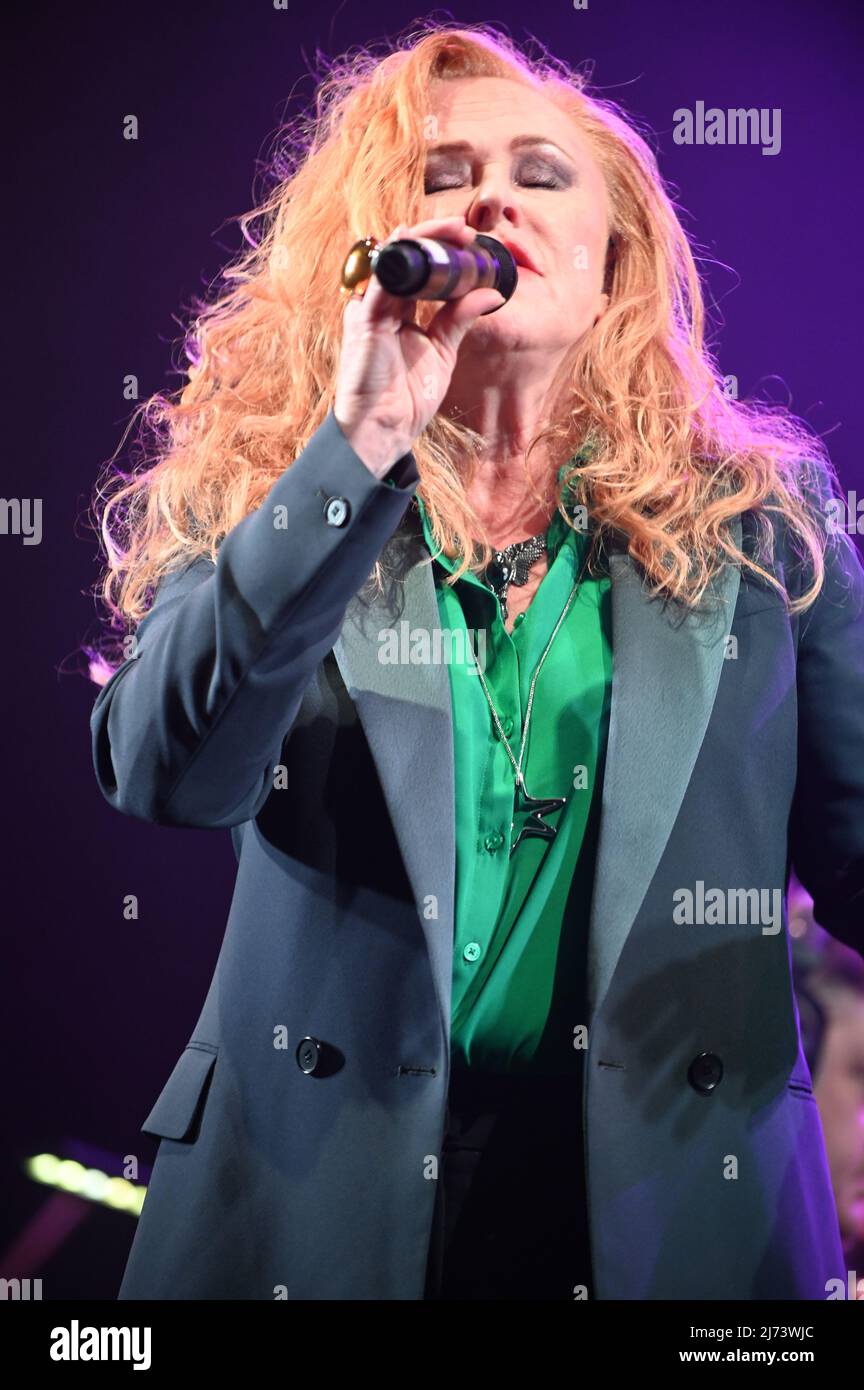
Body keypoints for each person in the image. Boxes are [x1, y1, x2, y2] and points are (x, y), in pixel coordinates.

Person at [88, 22, 864, 1300]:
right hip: (309, 1203)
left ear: (615, 264)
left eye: (539, 174)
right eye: (444, 175)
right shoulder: (271, 499)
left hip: (671, 1210)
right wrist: (358, 448)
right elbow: (167, 772)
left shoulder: (759, 527)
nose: (489, 196)